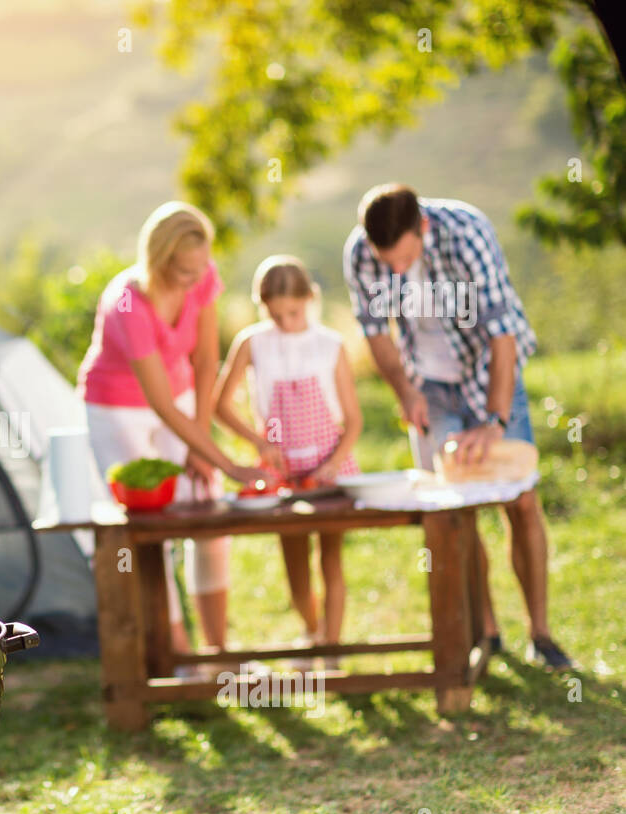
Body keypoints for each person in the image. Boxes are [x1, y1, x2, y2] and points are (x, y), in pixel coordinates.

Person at [342, 183, 572, 669]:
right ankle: (486, 632)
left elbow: (501, 331)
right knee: (453, 506)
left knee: (521, 499)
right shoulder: (362, 253)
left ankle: (542, 634)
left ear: (421, 227)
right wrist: (406, 393)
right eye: (390, 264)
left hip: (489, 374)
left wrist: (494, 420)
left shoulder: (467, 233)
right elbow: (373, 330)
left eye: (404, 258)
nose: (397, 271)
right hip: (429, 384)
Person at [78, 201, 267, 655]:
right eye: (183, 271)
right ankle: (177, 658)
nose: (194, 278)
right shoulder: (127, 301)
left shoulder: (201, 275)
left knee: (207, 515)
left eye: (200, 268)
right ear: (159, 261)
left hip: (180, 403)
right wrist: (230, 463)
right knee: (151, 531)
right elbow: (160, 406)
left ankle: (219, 654)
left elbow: (205, 361)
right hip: (118, 409)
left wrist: (203, 449)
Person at [214, 255, 362, 657]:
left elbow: (354, 420)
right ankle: (312, 632)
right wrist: (259, 442)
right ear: (262, 308)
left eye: (294, 312)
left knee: (331, 559)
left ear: (310, 298)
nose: (287, 323)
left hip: (330, 470)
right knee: (296, 565)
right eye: (276, 315)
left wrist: (333, 462)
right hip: (283, 473)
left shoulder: (329, 344)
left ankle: (331, 647)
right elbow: (221, 405)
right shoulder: (253, 342)